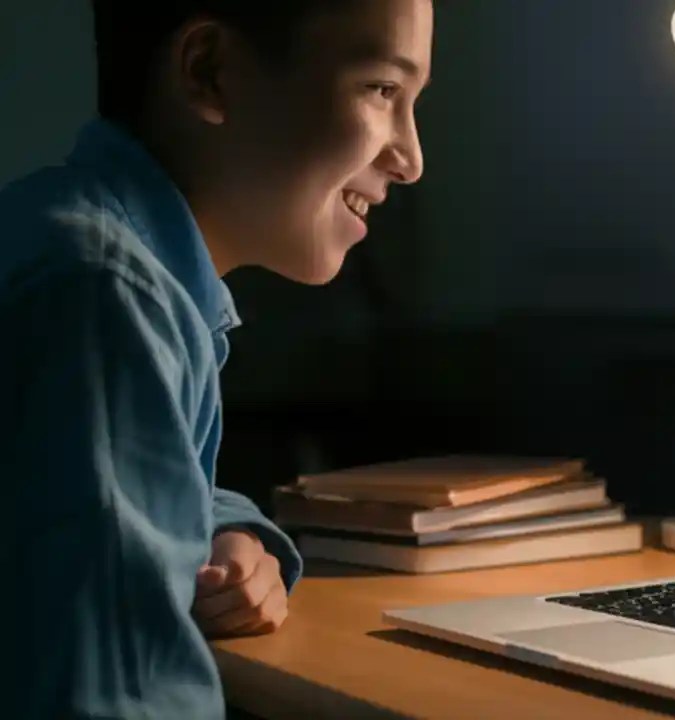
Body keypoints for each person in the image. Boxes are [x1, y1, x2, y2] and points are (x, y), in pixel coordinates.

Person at [0, 0, 432, 717]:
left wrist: (224, 528)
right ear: (211, 74)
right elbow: (114, 699)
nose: (412, 159)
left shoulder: (86, 244)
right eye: (383, 89)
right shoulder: (106, 294)